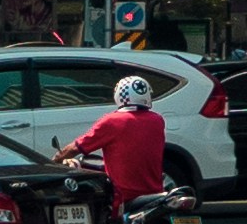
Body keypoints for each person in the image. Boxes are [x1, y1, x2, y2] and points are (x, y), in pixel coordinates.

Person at [62, 71, 173, 215]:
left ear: (120, 96)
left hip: (124, 196)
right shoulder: (157, 120)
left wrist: (54, 160)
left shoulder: (112, 122)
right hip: (155, 192)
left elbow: (75, 149)